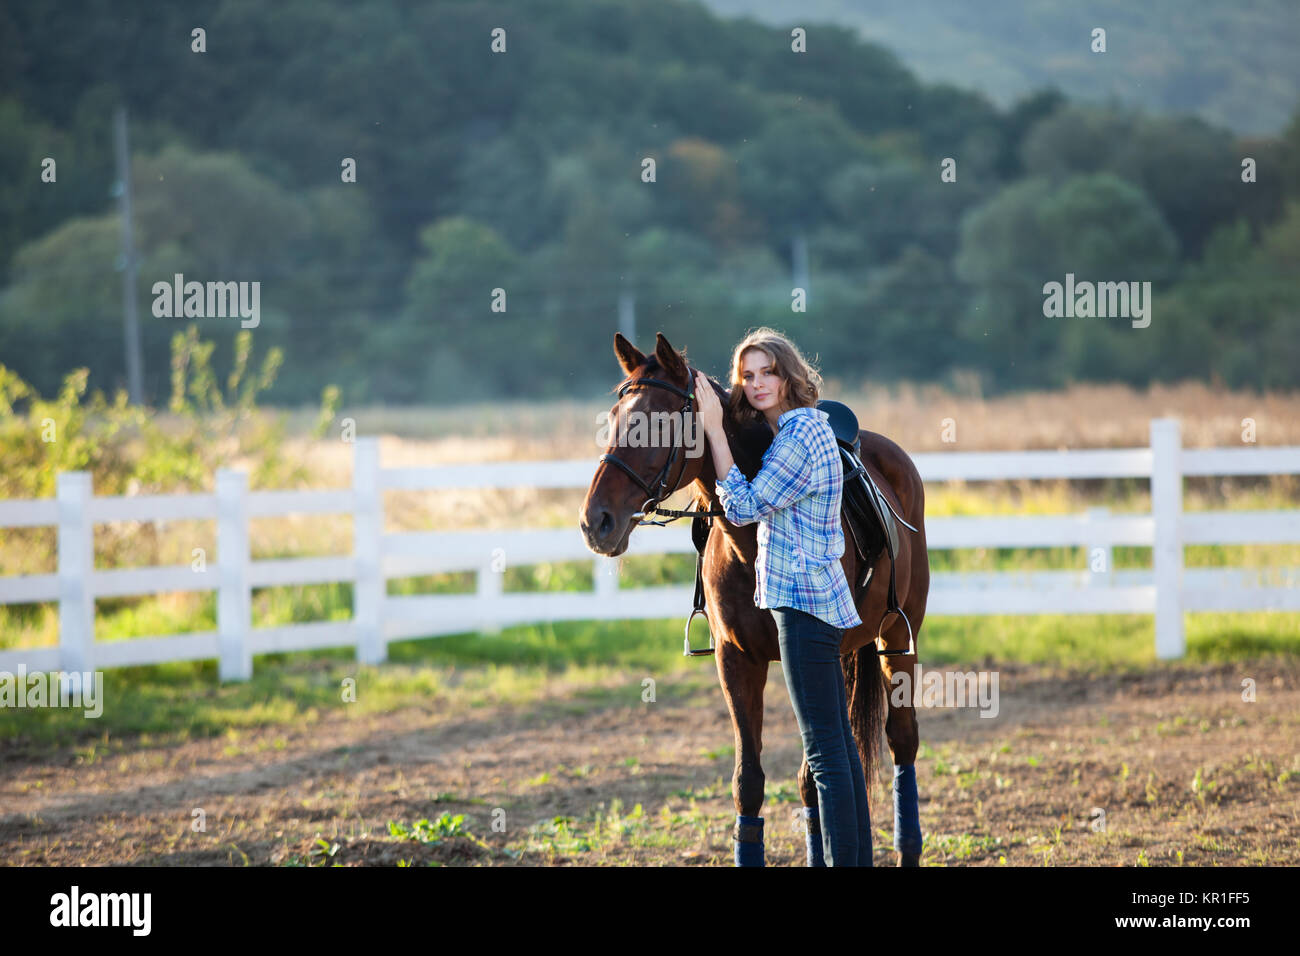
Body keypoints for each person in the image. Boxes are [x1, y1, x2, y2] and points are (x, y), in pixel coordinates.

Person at [692, 327, 870, 867]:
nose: (758, 383)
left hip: (802, 608)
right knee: (837, 748)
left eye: (768, 371)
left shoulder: (797, 438)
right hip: (815, 604)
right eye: (747, 376)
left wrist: (715, 435)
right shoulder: (799, 433)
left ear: (789, 375)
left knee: (824, 755)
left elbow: (744, 508)